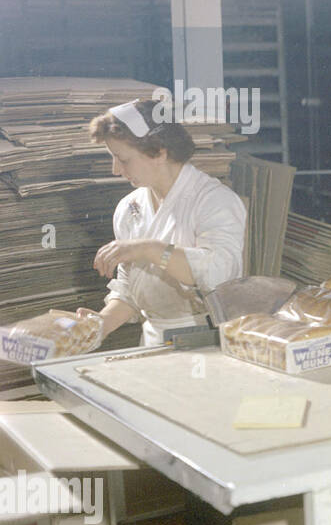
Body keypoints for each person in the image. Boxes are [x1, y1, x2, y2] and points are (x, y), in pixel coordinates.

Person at [80, 98, 248, 348]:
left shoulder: (214, 201)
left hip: (206, 340)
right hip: (153, 340)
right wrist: (101, 325)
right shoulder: (129, 208)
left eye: (123, 159)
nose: (115, 170)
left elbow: (218, 274)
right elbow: (131, 289)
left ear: (158, 151)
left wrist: (148, 249)